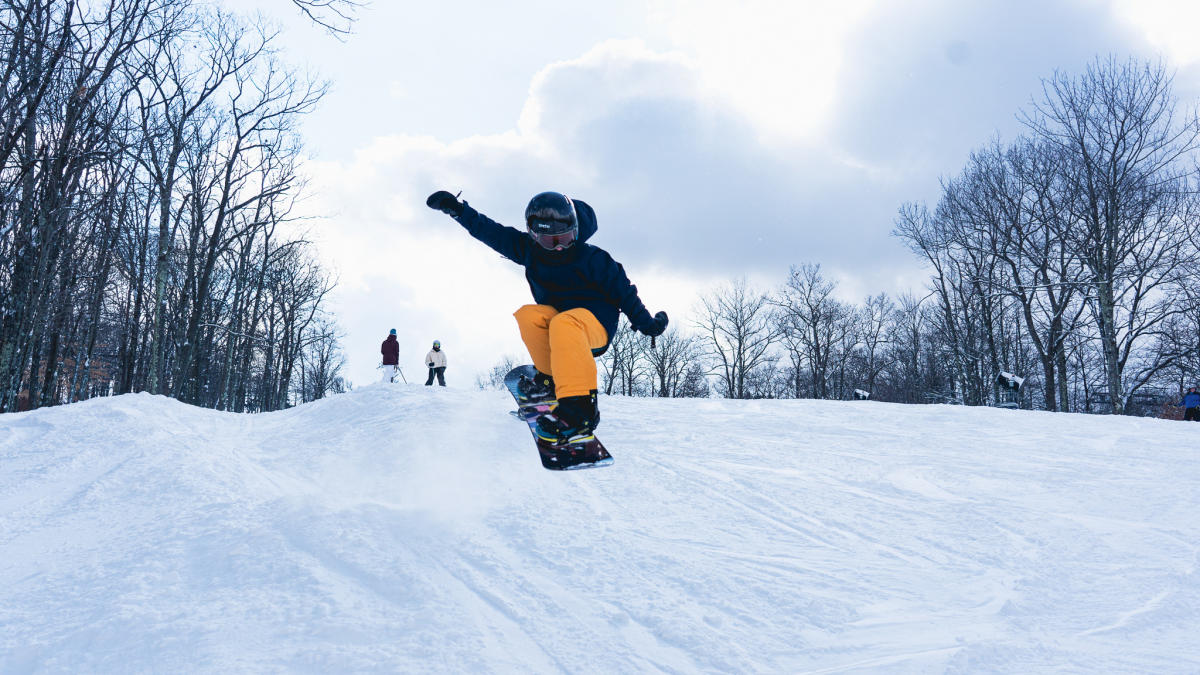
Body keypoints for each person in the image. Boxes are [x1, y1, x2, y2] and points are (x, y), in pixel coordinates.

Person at [426, 189, 667, 444]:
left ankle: (580, 412)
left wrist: (649, 324)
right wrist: (457, 210)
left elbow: (625, 293)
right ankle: (552, 381)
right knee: (529, 315)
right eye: (549, 241)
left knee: (565, 323)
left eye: (565, 238)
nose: (559, 246)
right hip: (562, 325)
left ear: (576, 230)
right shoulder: (529, 250)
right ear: (534, 236)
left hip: (595, 325)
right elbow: (490, 231)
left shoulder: (594, 258)